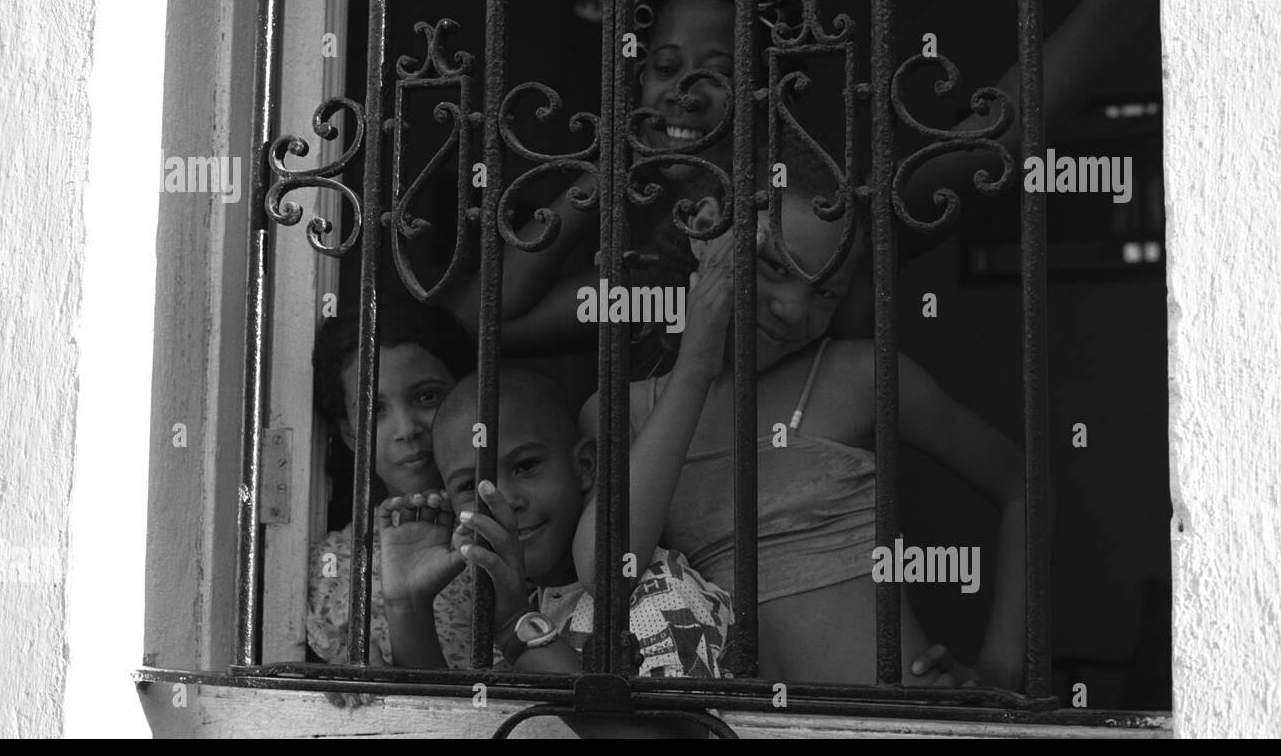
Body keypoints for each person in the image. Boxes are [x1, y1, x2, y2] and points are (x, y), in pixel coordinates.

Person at [438, 0, 1159, 367]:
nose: (682, 91)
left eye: (717, 70)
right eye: (662, 66)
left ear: (762, 92)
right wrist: (605, 172)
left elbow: (997, 136)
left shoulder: (829, 209)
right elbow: (480, 320)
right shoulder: (648, 266)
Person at [574, 172, 1026, 687]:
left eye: (825, 293)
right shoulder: (624, 412)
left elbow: (1023, 487)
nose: (793, 309)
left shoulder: (859, 377)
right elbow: (606, 574)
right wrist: (696, 362)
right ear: (704, 230)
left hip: (902, 723)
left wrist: (1004, 668)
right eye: (773, 266)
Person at [375, 365, 732, 680]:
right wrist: (407, 605)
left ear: (585, 467)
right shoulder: (535, 601)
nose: (505, 499)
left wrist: (518, 628)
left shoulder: (655, 595)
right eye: (470, 486)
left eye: (525, 466)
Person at [306, 296, 477, 669]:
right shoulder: (335, 565)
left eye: (427, 397)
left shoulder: (509, 524)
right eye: (375, 410)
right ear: (351, 435)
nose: (407, 430)